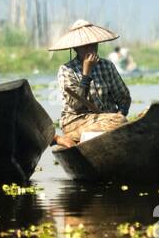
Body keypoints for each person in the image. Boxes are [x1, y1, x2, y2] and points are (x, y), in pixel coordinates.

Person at [49, 19, 131, 147]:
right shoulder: (66, 70)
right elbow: (76, 105)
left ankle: (110, 128)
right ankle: (60, 138)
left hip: (106, 119)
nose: (91, 48)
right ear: (76, 48)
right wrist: (86, 74)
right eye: (85, 45)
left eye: (93, 44)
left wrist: (121, 114)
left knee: (122, 123)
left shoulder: (107, 65)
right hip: (76, 121)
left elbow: (124, 97)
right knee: (119, 122)